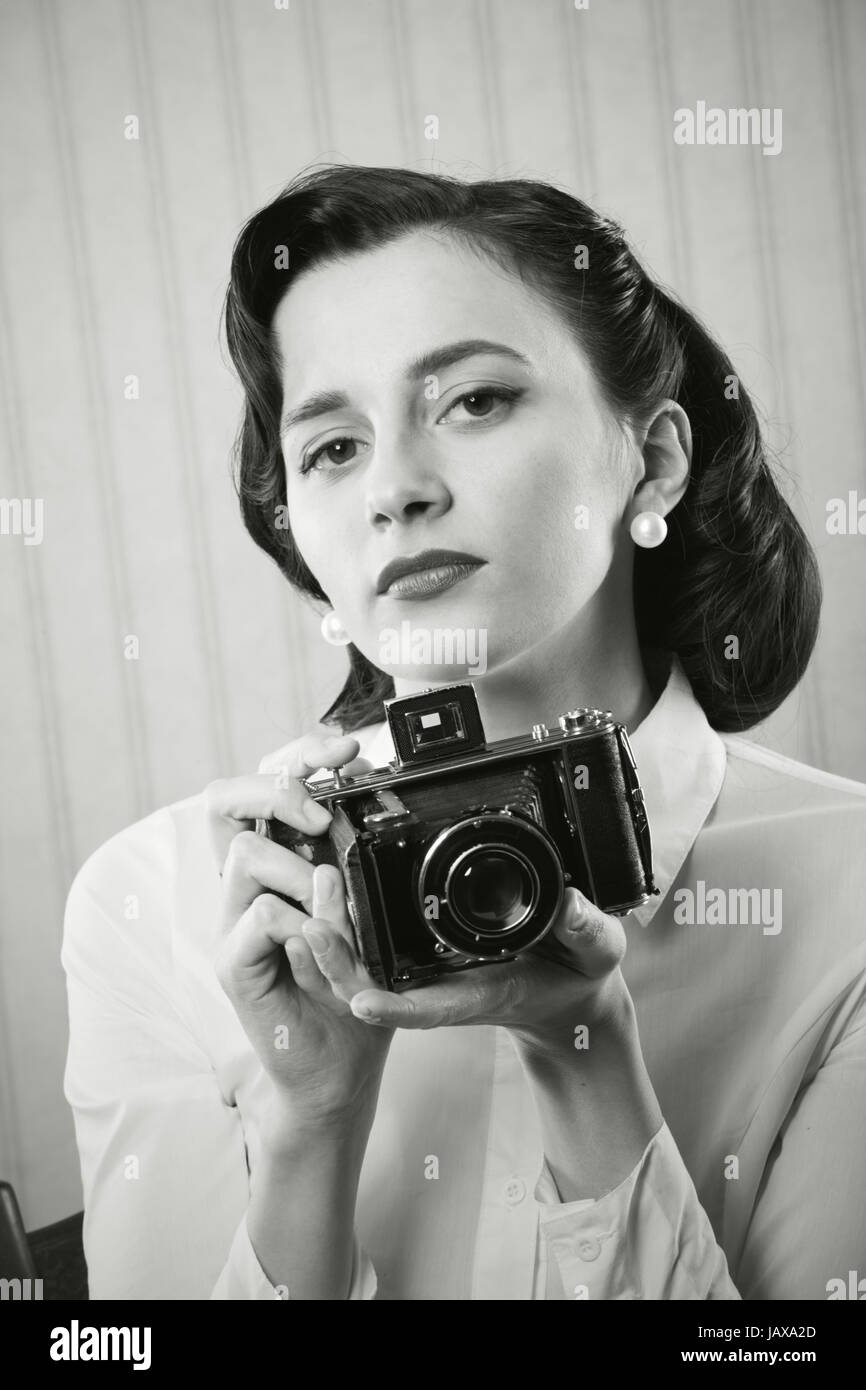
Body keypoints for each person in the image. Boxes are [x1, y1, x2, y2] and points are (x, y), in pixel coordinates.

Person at [62, 164, 866, 1301]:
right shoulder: (156, 904)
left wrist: (584, 1054)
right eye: (332, 447)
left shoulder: (848, 897)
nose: (394, 487)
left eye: (472, 400)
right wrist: (311, 1122)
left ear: (655, 457)